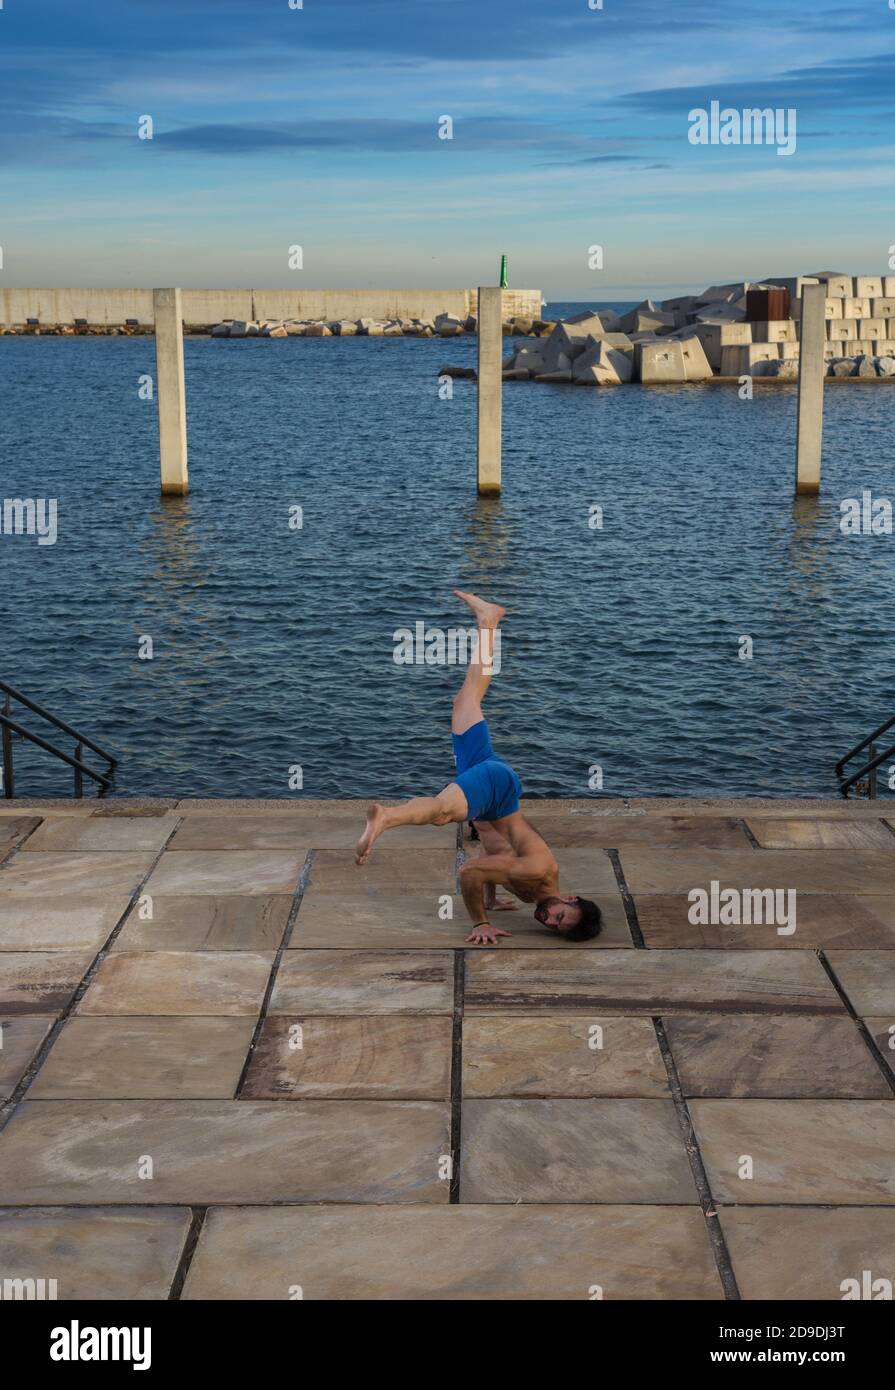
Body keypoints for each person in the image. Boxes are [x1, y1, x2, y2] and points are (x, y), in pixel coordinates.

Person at [355, 590, 603, 945]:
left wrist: (491, 896)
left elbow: (494, 860)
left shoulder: (535, 890)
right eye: (559, 915)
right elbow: (471, 871)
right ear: (570, 897)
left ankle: (489, 621)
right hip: (496, 789)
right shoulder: (537, 872)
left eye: (553, 926)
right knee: (442, 813)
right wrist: (480, 923)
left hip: (493, 791)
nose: (549, 920)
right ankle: (386, 817)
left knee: (467, 698)